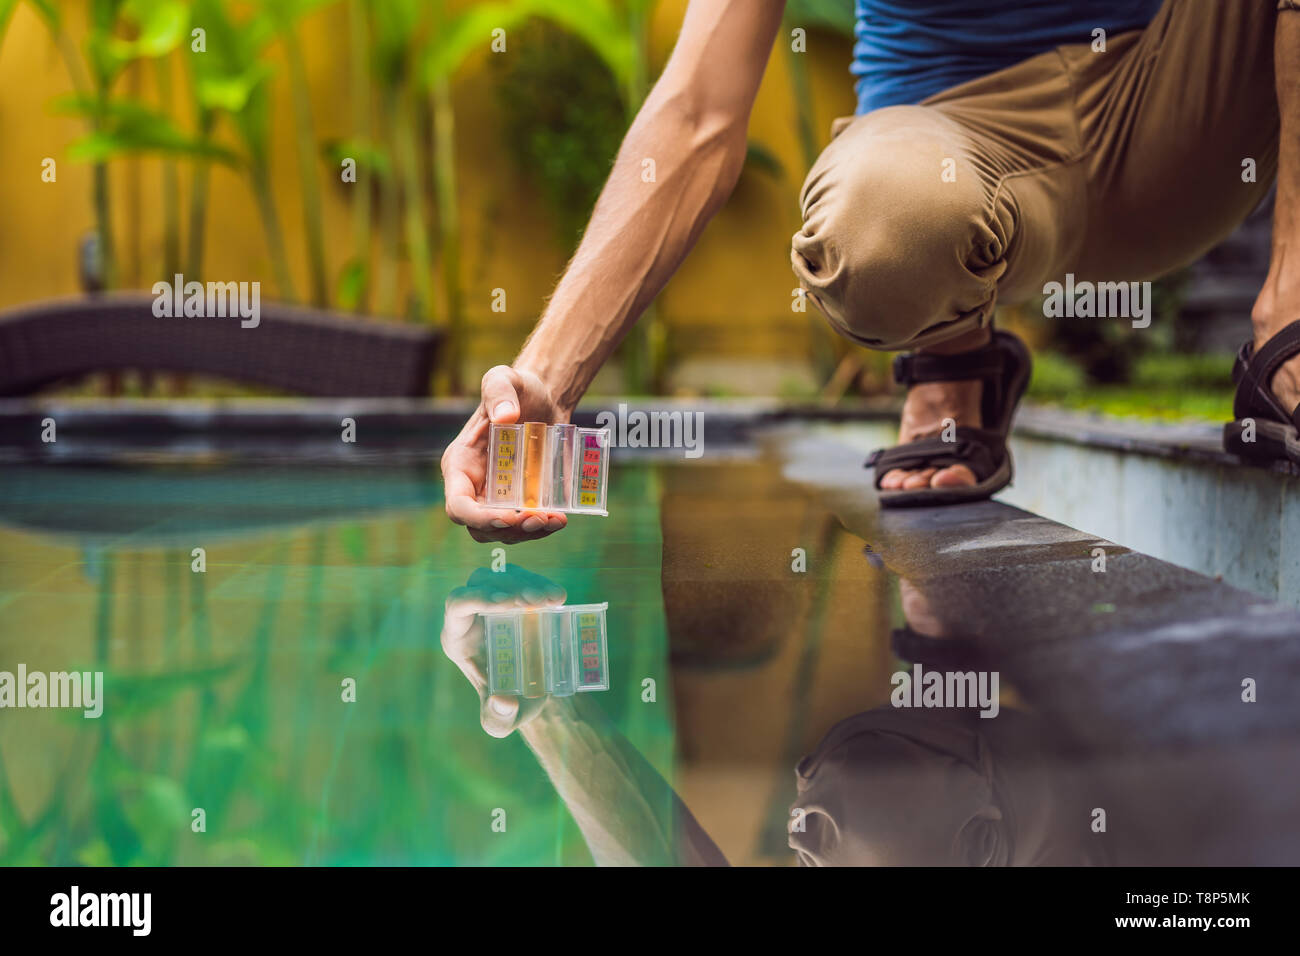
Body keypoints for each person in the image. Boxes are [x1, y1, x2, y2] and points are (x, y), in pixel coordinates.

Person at [444, 1, 1300, 533]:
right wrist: (542, 387)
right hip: (955, 150)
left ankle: (1290, 329)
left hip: (1175, 111)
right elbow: (700, 111)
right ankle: (951, 358)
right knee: (879, 227)